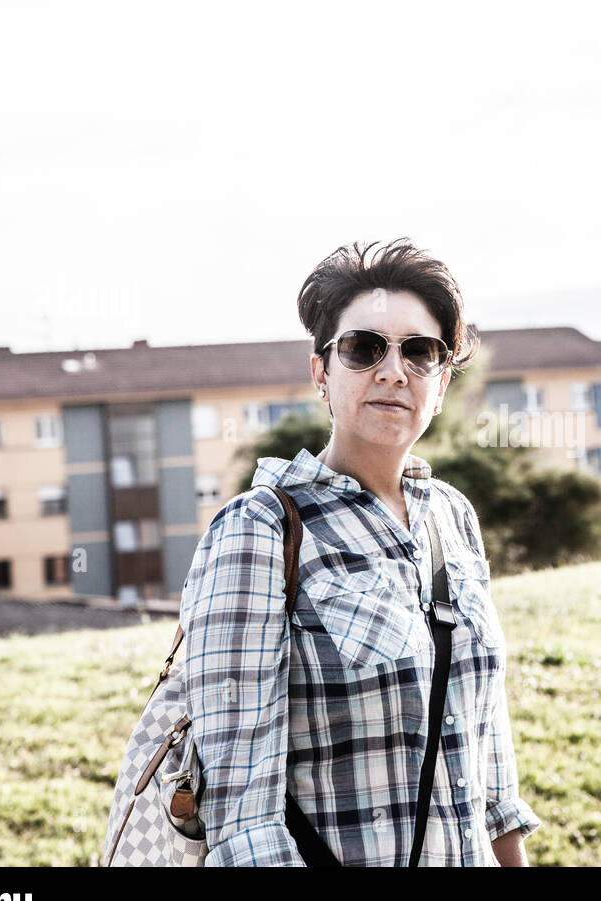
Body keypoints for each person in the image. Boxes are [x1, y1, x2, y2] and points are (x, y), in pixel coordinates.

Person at [180, 237, 541, 866]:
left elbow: (491, 778)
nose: (393, 371)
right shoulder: (261, 530)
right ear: (322, 371)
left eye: (420, 352)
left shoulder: (452, 517)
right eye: (363, 348)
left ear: (443, 377)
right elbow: (245, 826)